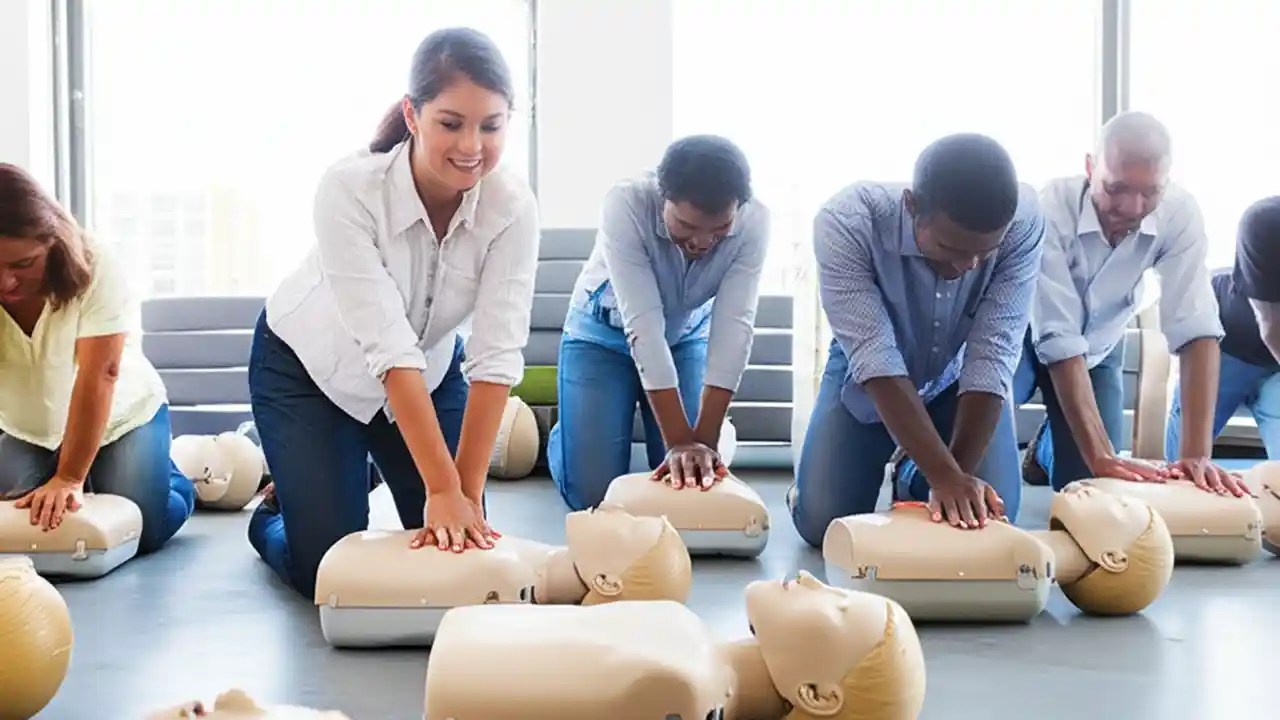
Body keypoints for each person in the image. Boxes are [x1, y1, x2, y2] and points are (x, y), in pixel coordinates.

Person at [247, 27, 539, 598]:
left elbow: (496, 355)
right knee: (326, 573)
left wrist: (464, 497)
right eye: (450, 123)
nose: (471, 146)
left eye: (491, 125)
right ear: (412, 114)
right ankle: (277, 509)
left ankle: (356, 466)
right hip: (309, 374)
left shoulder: (511, 208)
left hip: (426, 377)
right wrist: (441, 486)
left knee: (458, 553)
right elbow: (388, 347)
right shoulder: (349, 189)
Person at [789, 133, 1044, 548]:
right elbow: (876, 358)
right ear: (911, 206)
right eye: (949, 246)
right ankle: (829, 482)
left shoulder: (1026, 221)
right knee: (822, 523)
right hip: (866, 374)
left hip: (957, 375)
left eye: (984, 252)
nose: (966, 265)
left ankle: (915, 473)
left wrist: (952, 483)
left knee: (993, 516)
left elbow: (993, 353)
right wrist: (945, 479)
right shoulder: (846, 223)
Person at [1016, 111, 1248, 496]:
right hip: (1024, 342)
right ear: (1090, 167)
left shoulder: (1179, 213)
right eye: (1116, 188)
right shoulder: (1049, 207)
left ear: (1166, 182)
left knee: (1096, 490)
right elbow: (1058, 337)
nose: (1132, 207)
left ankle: (1045, 449)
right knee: (980, 474)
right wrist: (1100, 451)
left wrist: (1196, 455)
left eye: (1149, 193)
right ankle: (916, 464)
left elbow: (1197, 328)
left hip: (1100, 349)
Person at [547, 135, 768, 511]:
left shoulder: (754, 222)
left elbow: (734, 327)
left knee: (688, 485)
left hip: (684, 336)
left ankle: (604, 424)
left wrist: (705, 443)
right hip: (600, 336)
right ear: (663, 195)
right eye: (685, 225)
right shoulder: (626, 203)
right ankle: (571, 432)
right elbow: (643, 326)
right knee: (593, 497)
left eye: (719, 229)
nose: (701, 241)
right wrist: (681, 442)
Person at [0, 163, 195, 552]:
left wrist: (70, 477)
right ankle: (91, 475)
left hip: (119, 415)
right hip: (29, 426)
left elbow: (100, 373)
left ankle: (176, 479)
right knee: (32, 528)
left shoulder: (94, 262)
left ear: (52, 242)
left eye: (24, 264)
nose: (7, 282)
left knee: (140, 528)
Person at [1166, 197, 1280, 459]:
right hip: (1226, 346)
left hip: (1275, 371)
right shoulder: (1266, 220)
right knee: (1182, 463)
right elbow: (1273, 327)